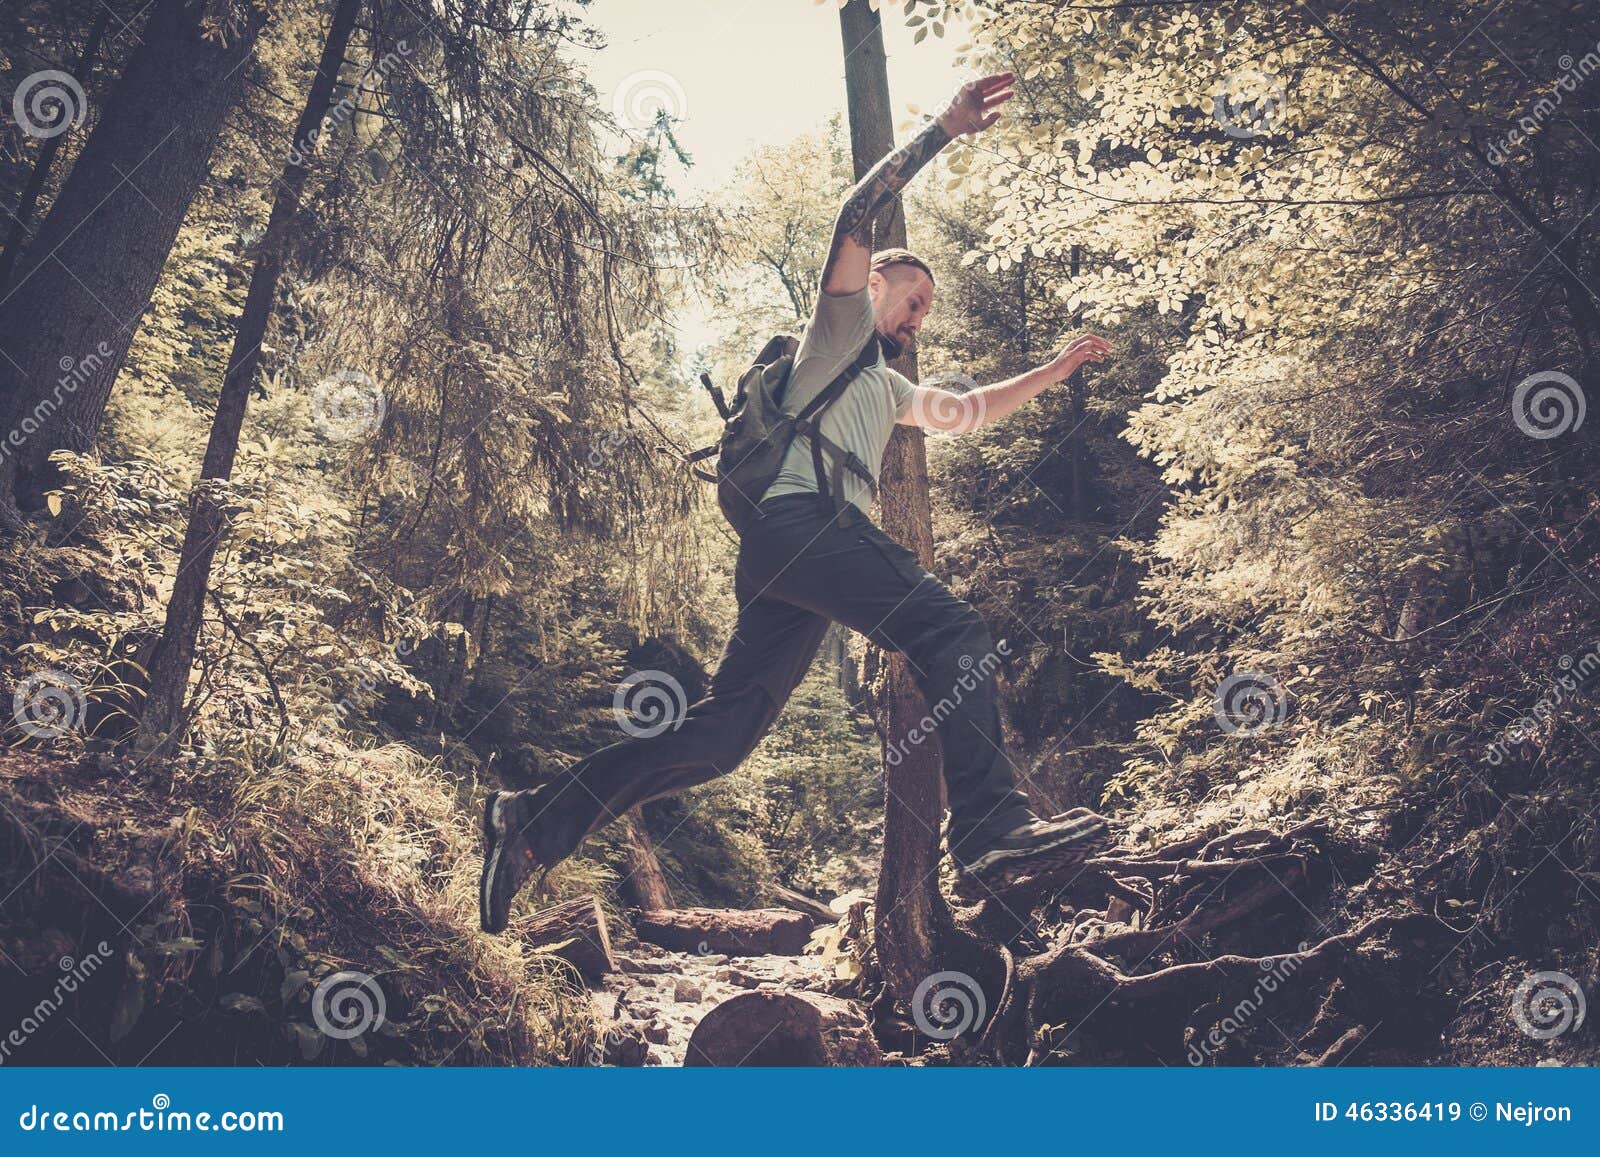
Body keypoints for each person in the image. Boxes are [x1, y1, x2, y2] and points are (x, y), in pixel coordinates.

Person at [481, 72, 1112, 934]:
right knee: (952, 630)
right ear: (878, 281)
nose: (920, 317)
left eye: (928, 309)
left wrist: (1058, 369)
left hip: (790, 555)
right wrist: (943, 129)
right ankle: (994, 828)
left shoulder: (885, 387)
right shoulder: (838, 329)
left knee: (721, 738)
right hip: (805, 525)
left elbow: (969, 410)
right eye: (915, 297)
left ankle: (529, 824)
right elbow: (856, 210)